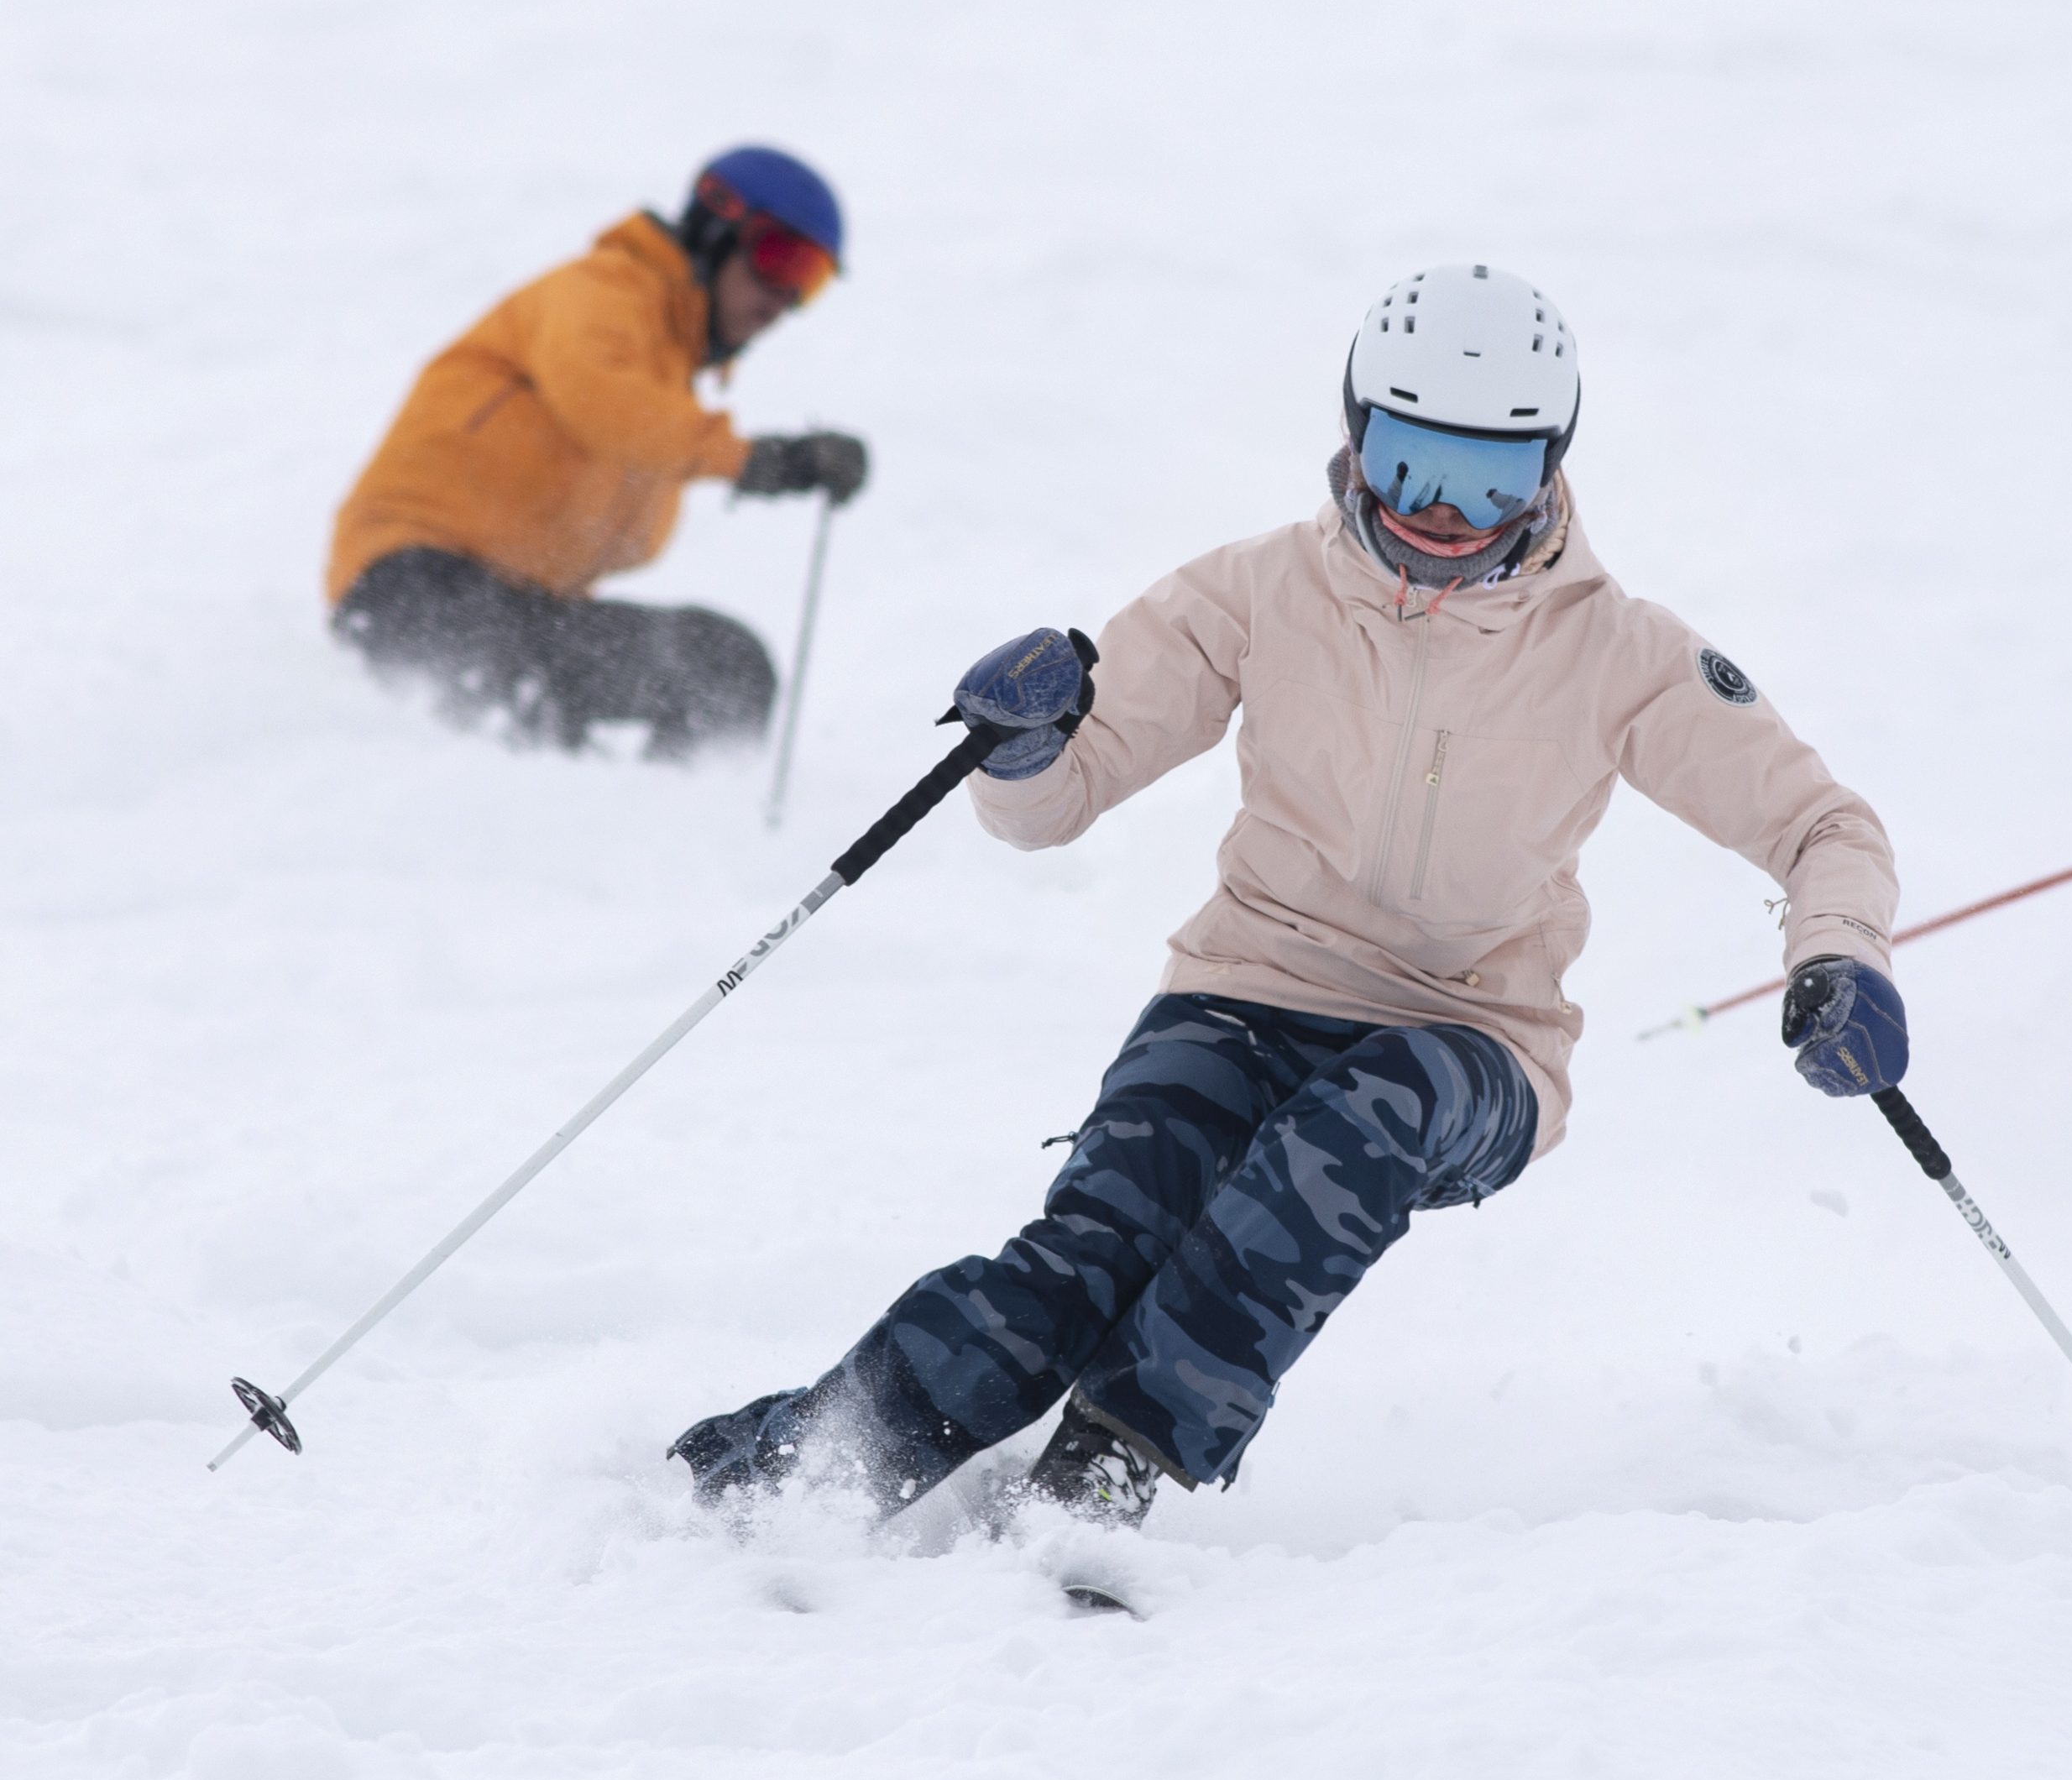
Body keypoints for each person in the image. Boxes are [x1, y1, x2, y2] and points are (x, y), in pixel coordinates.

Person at [667, 264, 1907, 1524]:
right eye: (1414, 461)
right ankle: (795, 1472)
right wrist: (1026, 745)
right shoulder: (1258, 594)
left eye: (1492, 477)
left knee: (1350, 1131)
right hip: (1240, 996)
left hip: (1474, 1044)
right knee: (1084, 1265)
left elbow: (1823, 827)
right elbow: (1051, 809)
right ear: (1355, 430)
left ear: (1551, 469)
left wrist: (1841, 953)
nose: (1443, 513)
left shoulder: (1617, 654)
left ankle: (1105, 1477)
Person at [325, 146, 871, 755]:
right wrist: (756, 461)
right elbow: (602, 398)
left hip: (530, 615)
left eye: (809, 281)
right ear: (717, 227)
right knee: (521, 717)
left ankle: (681, 830)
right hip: (411, 588)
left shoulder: (666, 386)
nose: (783, 299)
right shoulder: (605, 291)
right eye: (779, 257)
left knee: (723, 666)